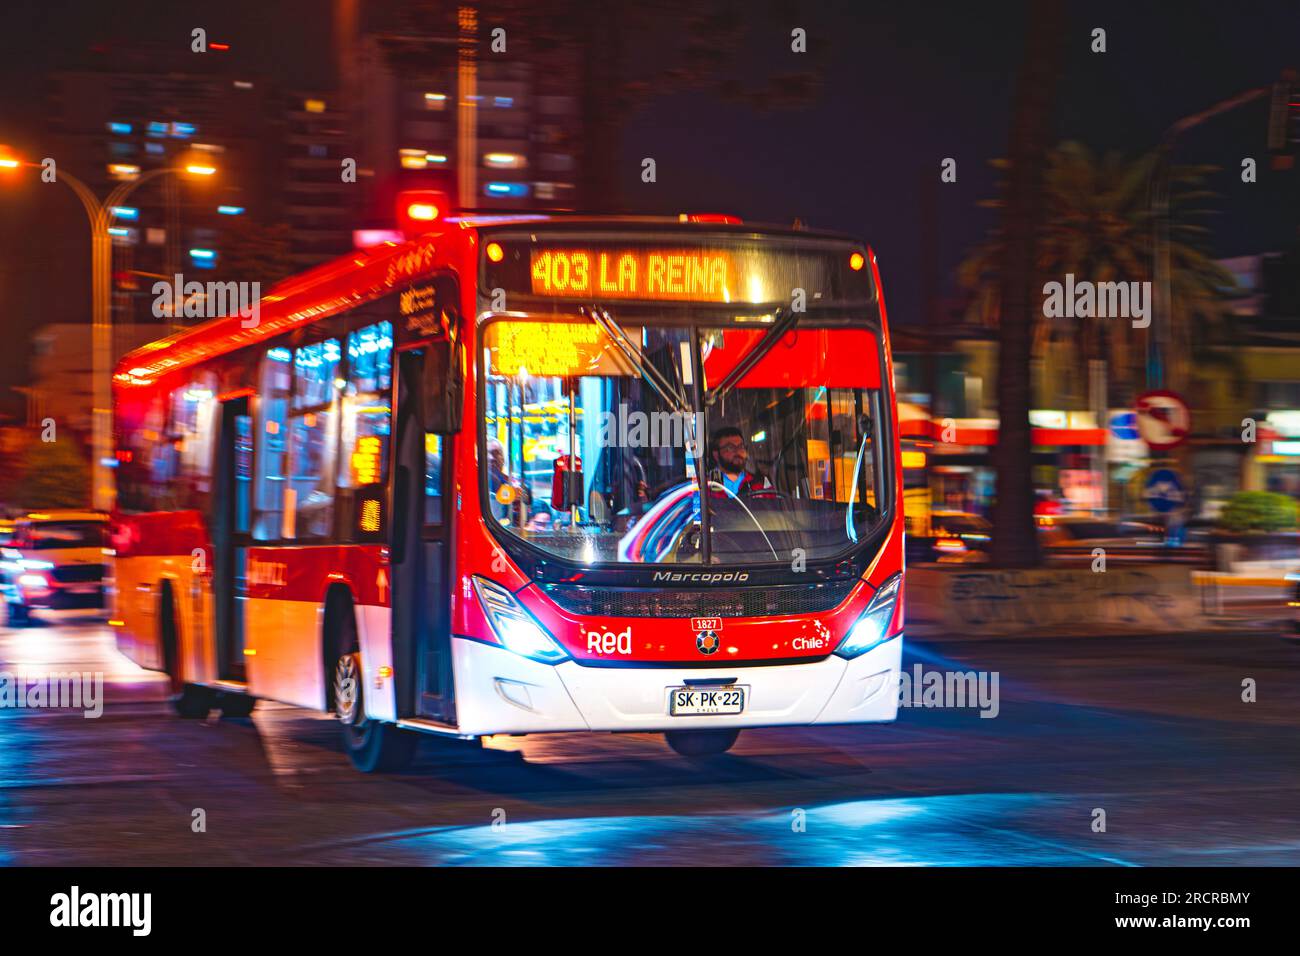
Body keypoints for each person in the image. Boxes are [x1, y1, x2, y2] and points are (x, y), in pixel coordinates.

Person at [707, 426, 773, 497]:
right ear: (716, 454)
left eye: (741, 447)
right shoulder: (705, 485)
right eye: (730, 448)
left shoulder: (760, 482)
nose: (738, 451)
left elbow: (775, 505)